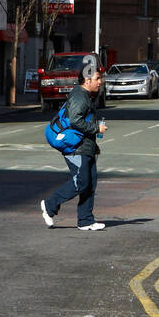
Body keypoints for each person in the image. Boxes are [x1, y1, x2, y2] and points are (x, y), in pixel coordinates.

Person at [40, 60, 107, 231]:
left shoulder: (84, 95)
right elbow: (75, 121)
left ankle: (85, 220)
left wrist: (93, 142)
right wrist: (96, 128)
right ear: (87, 80)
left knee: (90, 183)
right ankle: (49, 206)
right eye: (97, 78)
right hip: (75, 148)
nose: (100, 82)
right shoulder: (79, 96)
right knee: (81, 182)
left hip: (85, 146)